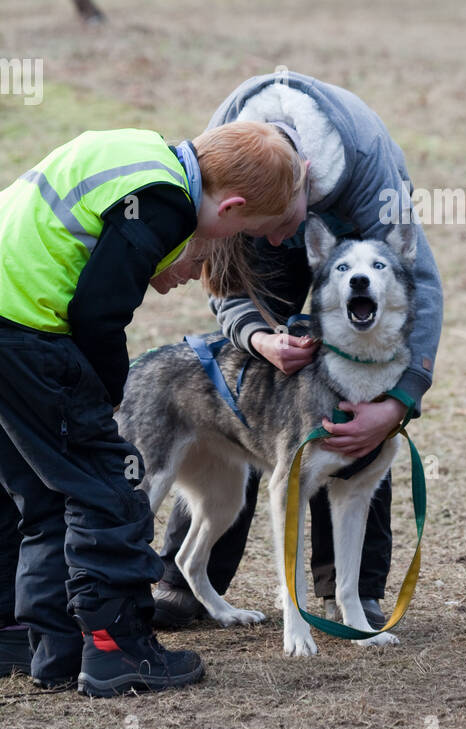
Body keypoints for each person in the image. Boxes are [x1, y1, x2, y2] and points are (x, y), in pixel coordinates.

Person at [0, 120, 306, 694]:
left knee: (40, 491)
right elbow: (98, 310)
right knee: (110, 490)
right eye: (247, 230)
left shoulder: (138, 148)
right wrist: (104, 397)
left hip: (8, 315)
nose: (223, 248)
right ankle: (119, 652)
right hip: (25, 331)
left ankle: (42, 644)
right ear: (232, 206)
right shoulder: (165, 200)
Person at [151, 70, 443, 631]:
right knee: (259, 411)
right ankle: (180, 577)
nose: (282, 243)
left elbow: (421, 284)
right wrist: (259, 338)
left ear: (306, 180)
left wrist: (400, 401)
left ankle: (349, 589)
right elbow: (226, 283)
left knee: (361, 416)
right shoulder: (222, 165)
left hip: (351, 226)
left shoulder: (365, 166)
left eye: (287, 227)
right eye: (269, 230)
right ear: (234, 209)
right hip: (270, 211)